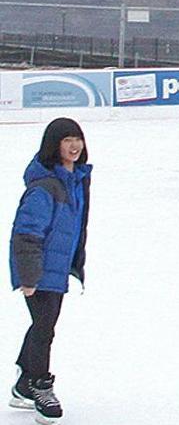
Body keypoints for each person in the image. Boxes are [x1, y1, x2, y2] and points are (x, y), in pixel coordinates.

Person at [8, 118, 92, 425]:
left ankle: (23, 382)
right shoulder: (45, 187)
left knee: (43, 324)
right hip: (38, 268)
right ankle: (41, 386)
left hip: (55, 265)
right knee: (45, 327)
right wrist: (29, 277)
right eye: (67, 140)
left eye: (78, 139)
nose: (74, 146)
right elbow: (26, 233)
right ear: (53, 145)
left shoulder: (75, 178)